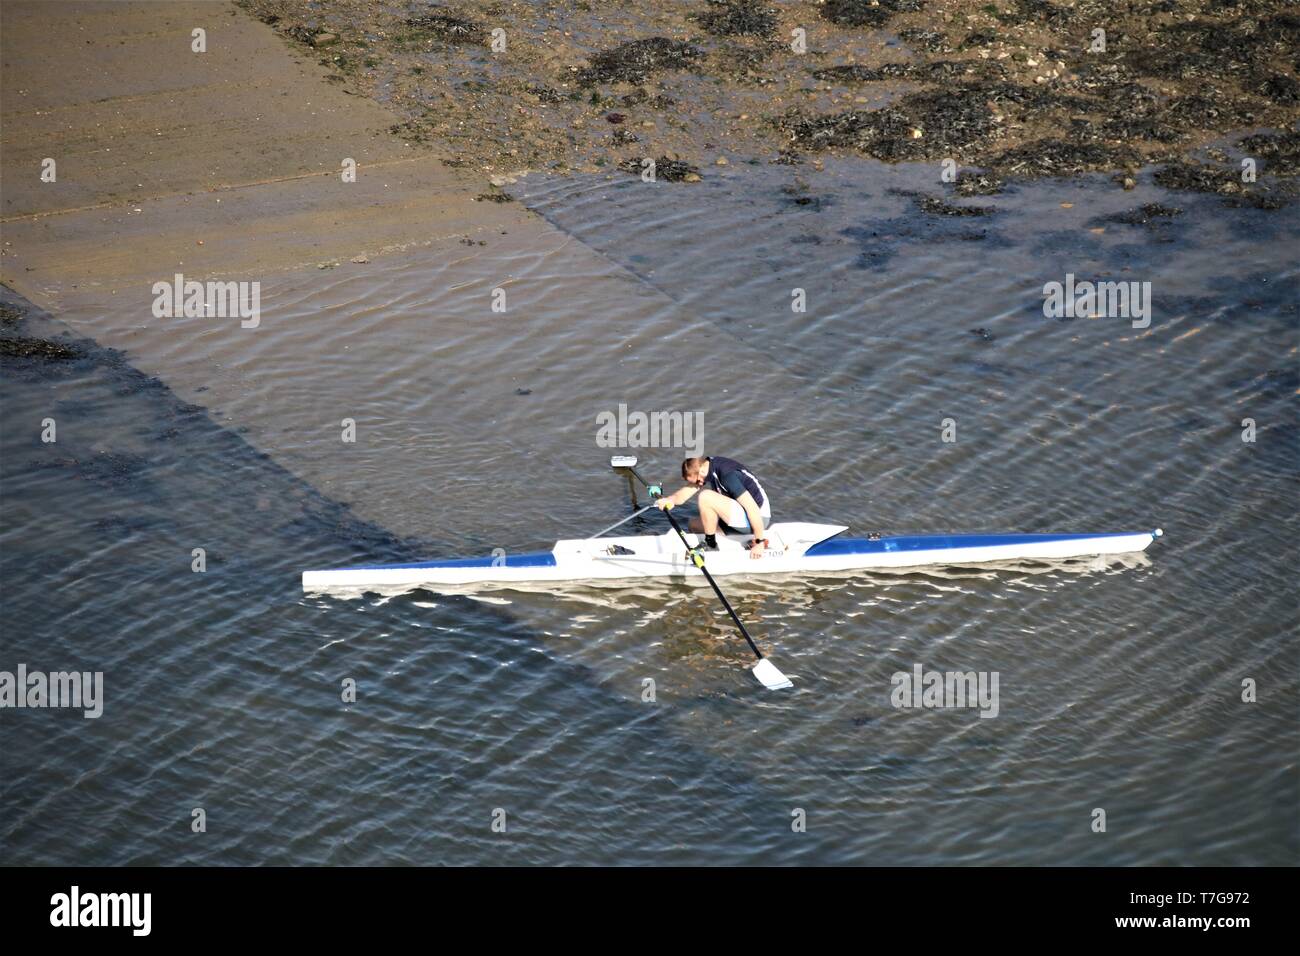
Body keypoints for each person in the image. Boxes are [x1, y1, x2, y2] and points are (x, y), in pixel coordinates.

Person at [654, 455, 772, 558]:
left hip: (759, 516)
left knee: (705, 496)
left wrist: (759, 542)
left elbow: (752, 508)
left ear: (701, 472)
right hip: (742, 514)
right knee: (693, 525)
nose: (699, 484)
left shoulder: (727, 475)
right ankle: (713, 545)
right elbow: (684, 494)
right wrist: (669, 500)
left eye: (697, 481)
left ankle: (710, 545)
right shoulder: (706, 467)